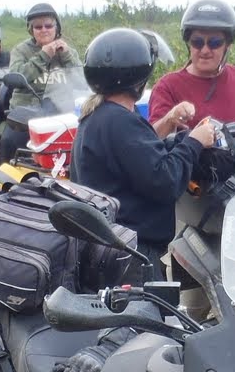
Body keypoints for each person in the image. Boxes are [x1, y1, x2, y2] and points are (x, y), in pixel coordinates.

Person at [70, 27, 219, 270]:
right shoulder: (120, 122)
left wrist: (170, 122)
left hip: (108, 249)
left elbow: (137, 156)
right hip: (131, 254)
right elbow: (165, 180)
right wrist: (195, 141)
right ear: (138, 76)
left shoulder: (98, 116)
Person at [148, 0, 235, 128]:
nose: (205, 50)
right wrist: (171, 118)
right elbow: (152, 140)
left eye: (214, 43)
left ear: (228, 45)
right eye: (197, 42)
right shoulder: (167, 87)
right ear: (188, 43)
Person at [8, 2, 81, 91]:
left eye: (48, 26)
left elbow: (81, 82)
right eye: (38, 27)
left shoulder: (68, 52)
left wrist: (67, 57)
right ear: (31, 30)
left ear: (56, 28)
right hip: (28, 102)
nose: (44, 30)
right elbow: (15, 81)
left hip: (62, 102)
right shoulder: (20, 51)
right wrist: (43, 56)